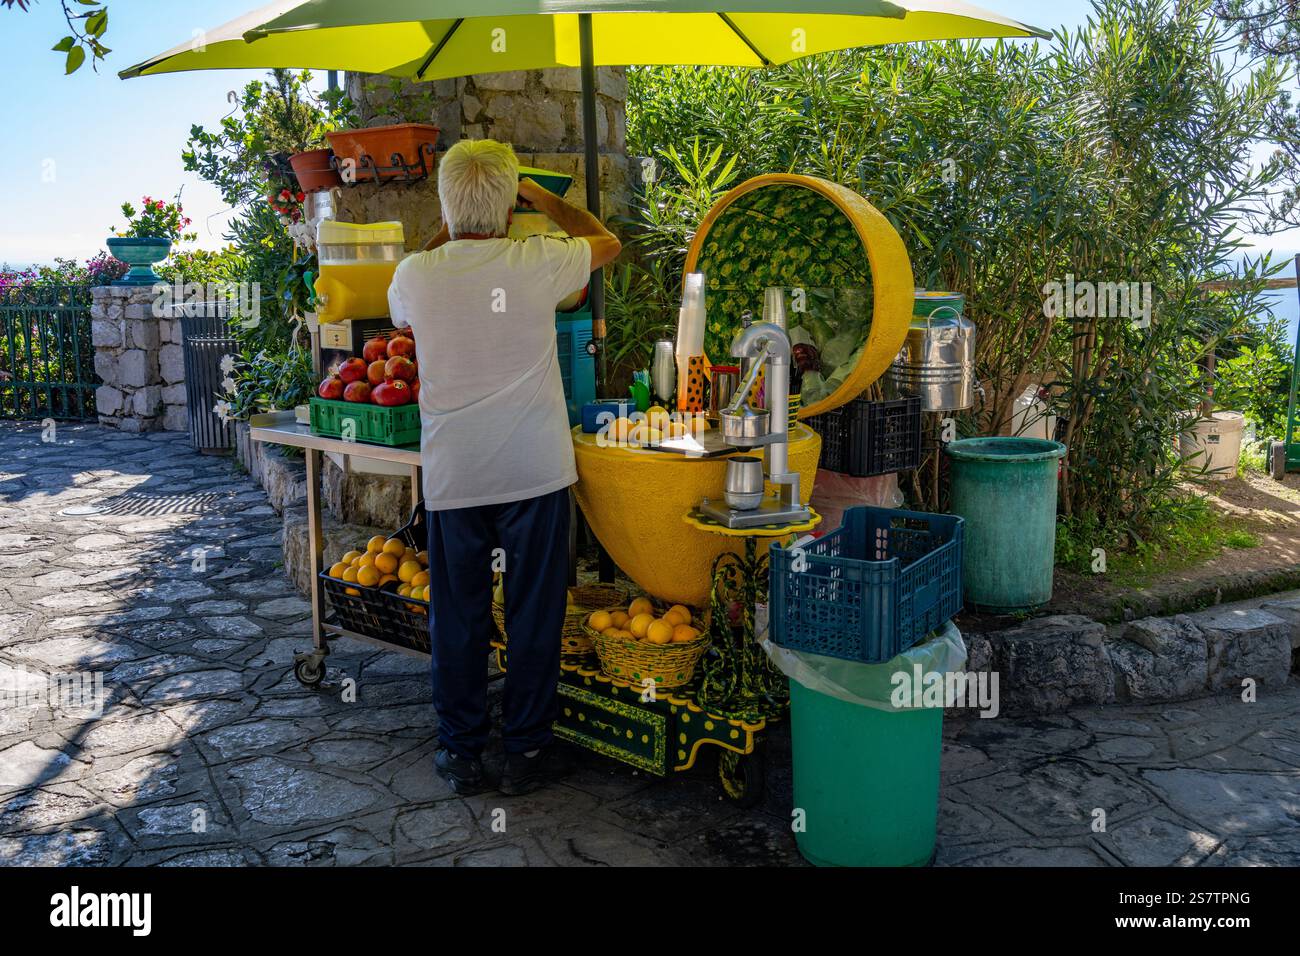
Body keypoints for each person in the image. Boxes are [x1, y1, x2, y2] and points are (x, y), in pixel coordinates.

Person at [388, 139, 621, 795]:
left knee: (457, 617)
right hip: (534, 471)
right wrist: (543, 197)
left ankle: (459, 753)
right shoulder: (537, 260)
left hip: (456, 476)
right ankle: (526, 751)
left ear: (445, 203)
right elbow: (606, 243)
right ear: (512, 203)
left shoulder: (414, 275)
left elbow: (422, 282)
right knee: (534, 614)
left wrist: (454, 227)